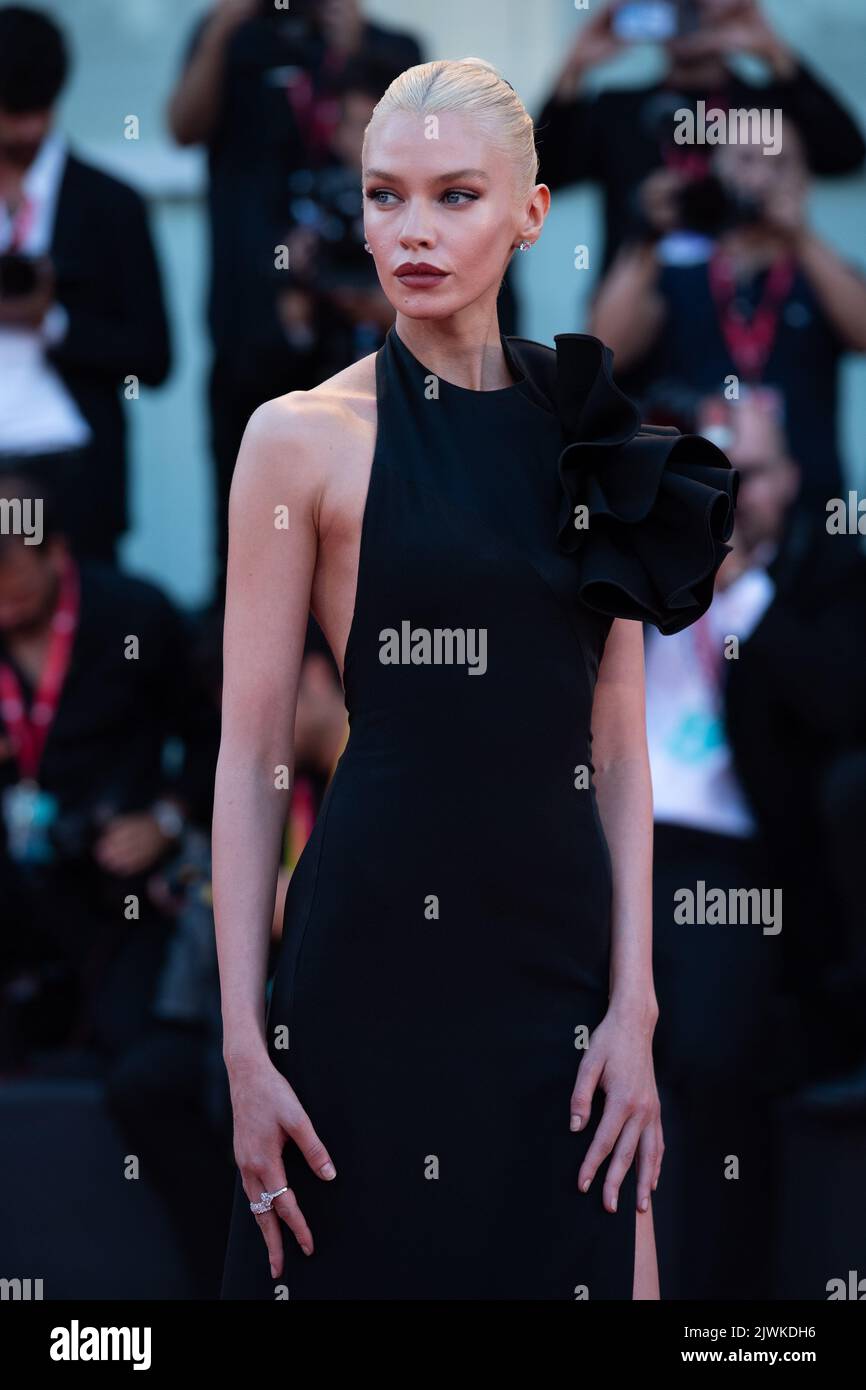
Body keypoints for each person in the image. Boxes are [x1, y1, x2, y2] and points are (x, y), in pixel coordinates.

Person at [213, 56, 736, 1301]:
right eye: (385, 196)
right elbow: (250, 754)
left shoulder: (598, 439)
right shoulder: (298, 439)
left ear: (530, 211)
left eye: (454, 196)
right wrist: (241, 1039)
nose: (412, 231)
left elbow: (616, 743)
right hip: (364, 957)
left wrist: (635, 1006)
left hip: (558, 965)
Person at [167, 0, 423, 604]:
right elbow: (182, 127)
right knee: (247, 541)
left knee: (372, 533)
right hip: (252, 325)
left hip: (367, 331)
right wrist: (226, 23)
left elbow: (417, 152)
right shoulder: (232, 36)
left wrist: (354, 51)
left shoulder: (388, 46)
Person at [0, 5, 171, 564]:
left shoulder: (109, 205)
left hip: (71, 467)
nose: (21, 129)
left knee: (83, 631)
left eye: (33, 110)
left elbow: (154, 358)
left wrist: (50, 321)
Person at [536, 0, 865, 273]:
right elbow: (542, 174)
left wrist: (776, 53)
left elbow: (845, 154)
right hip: (637, 311)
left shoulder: (768, 105)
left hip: (752, 300)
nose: (688, 17)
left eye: (699, 7)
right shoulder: (617, 110)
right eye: (675, 8)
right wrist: (575, 68)